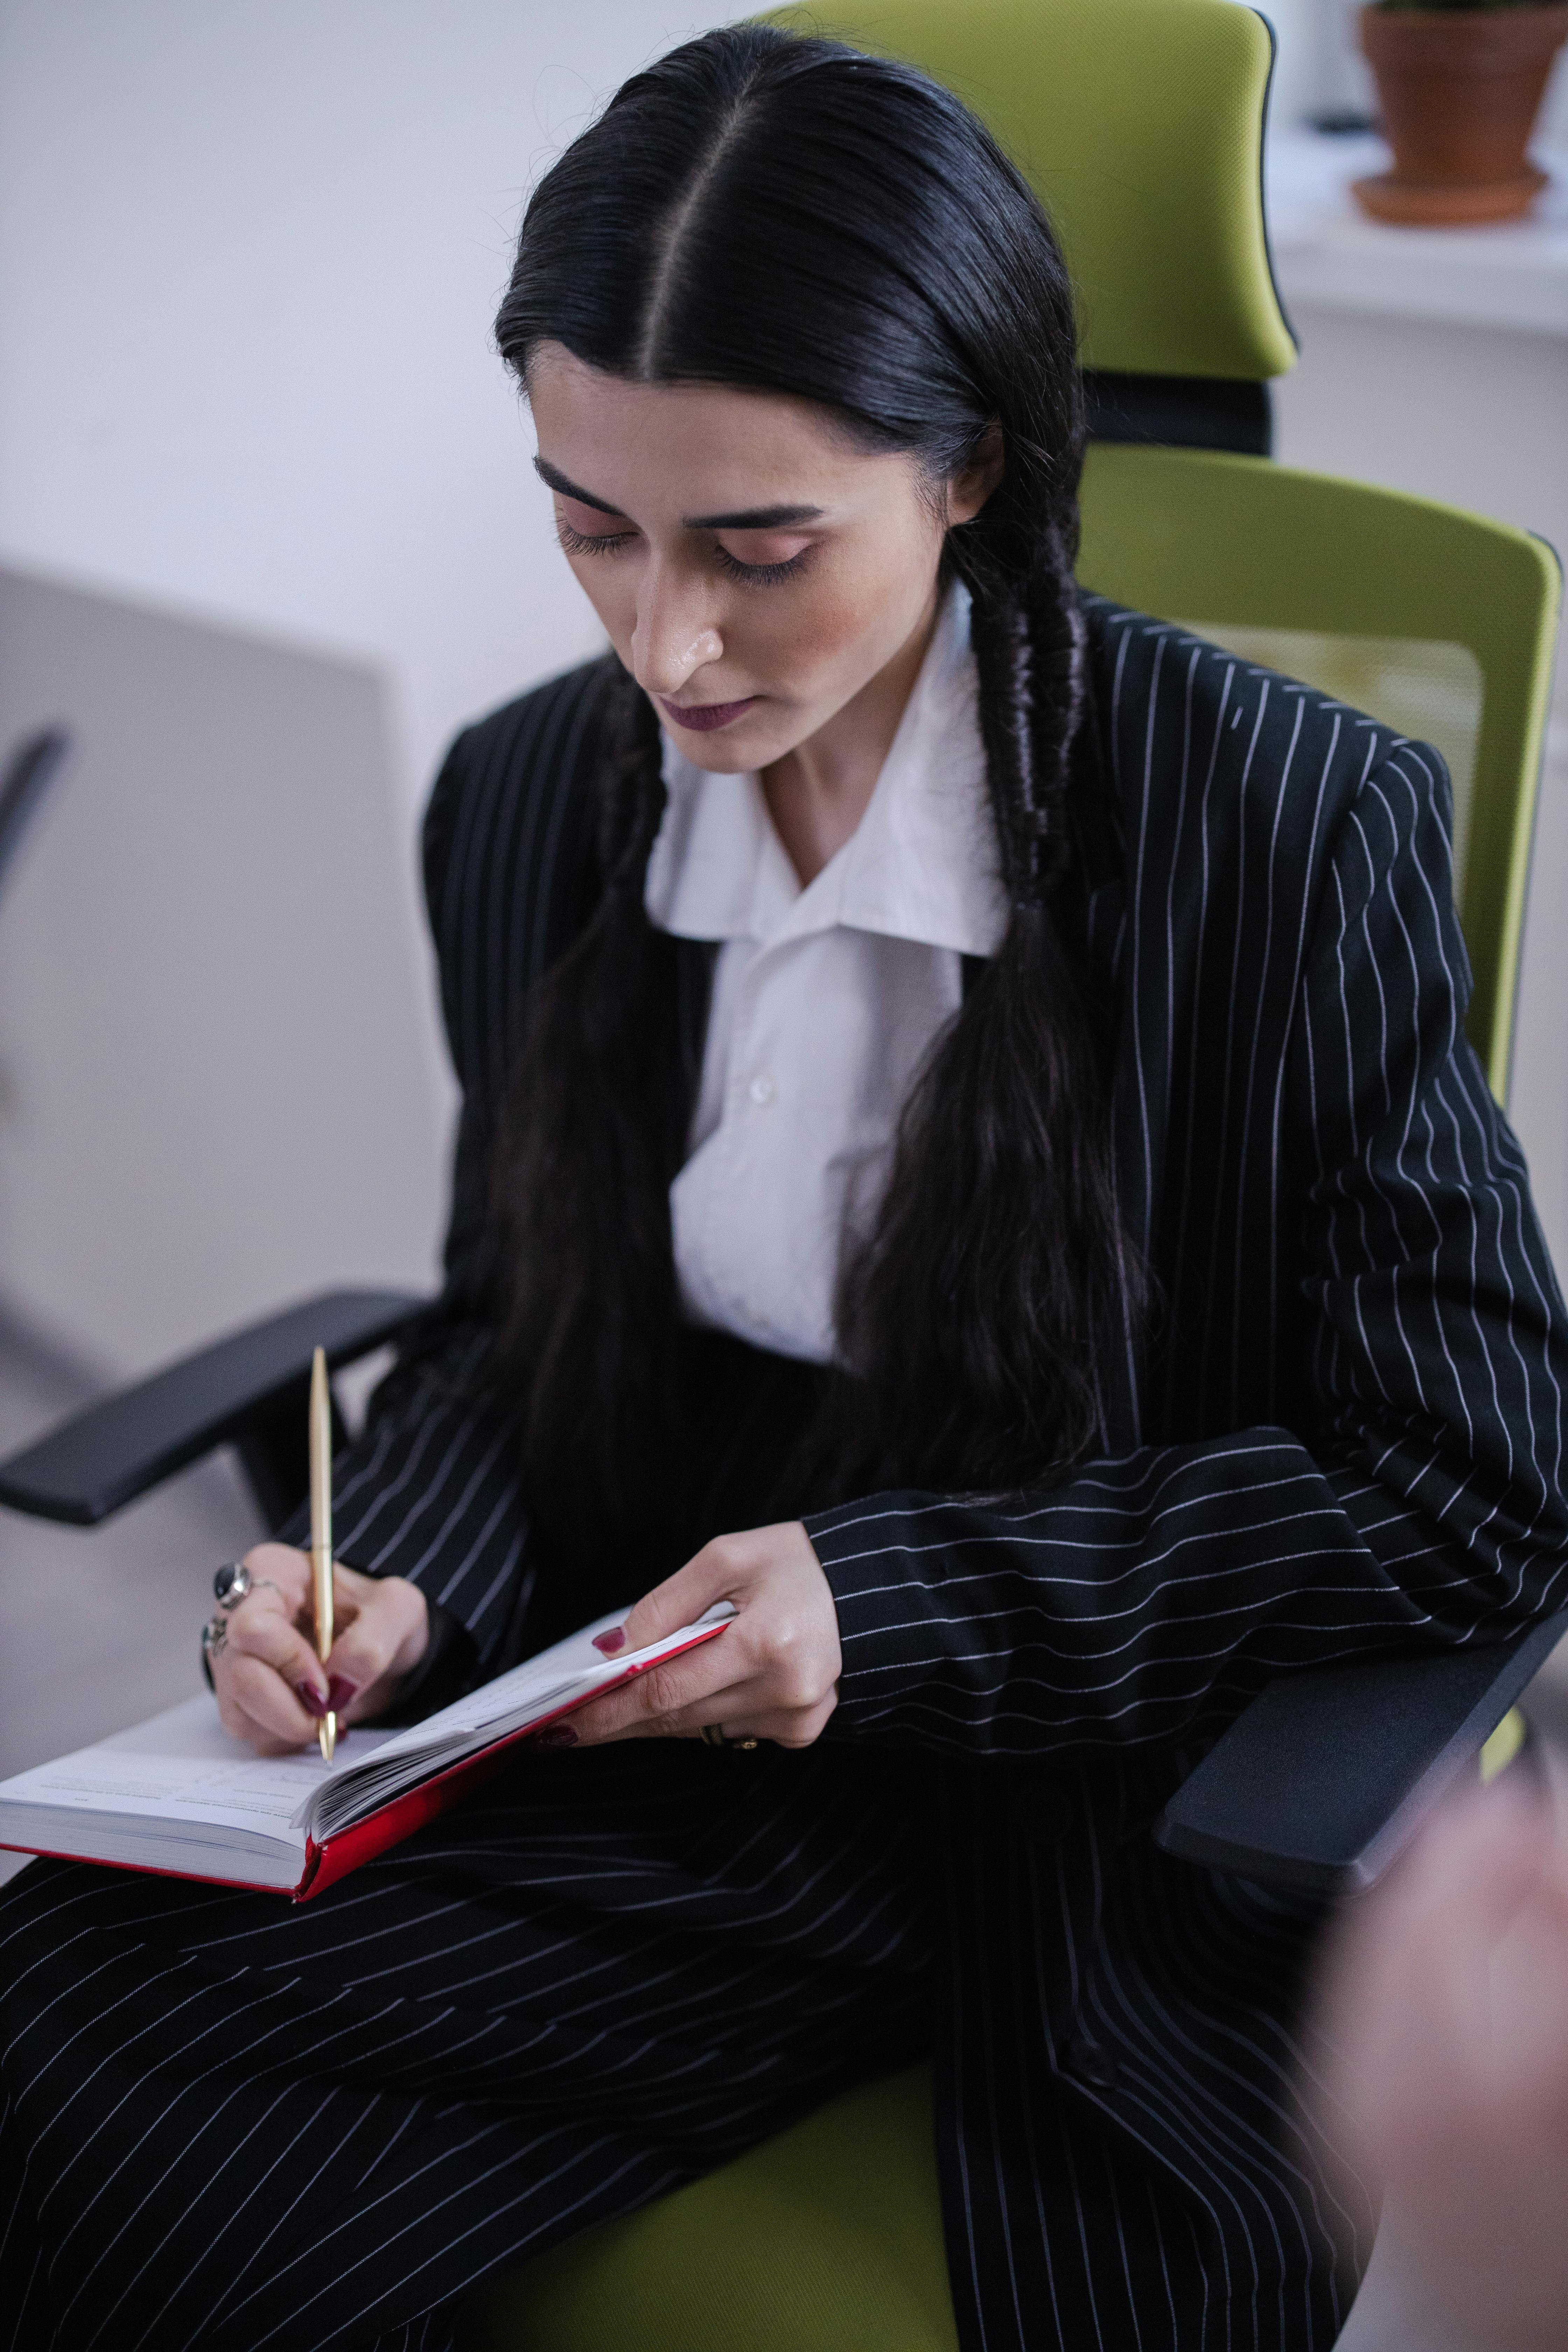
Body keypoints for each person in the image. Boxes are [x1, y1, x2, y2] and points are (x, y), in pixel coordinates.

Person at [3, 24, 1566, 2351]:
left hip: (1095, 1773)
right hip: (652, 1721)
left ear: (972, 471)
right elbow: (507, 1337)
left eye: (758, 547)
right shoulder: (532, 801)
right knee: (50, 2040)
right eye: (590, 524)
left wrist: (894, 1604)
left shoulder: (1272, 817)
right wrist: (387, 1576)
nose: (668, 643)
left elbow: (1475, 1475)